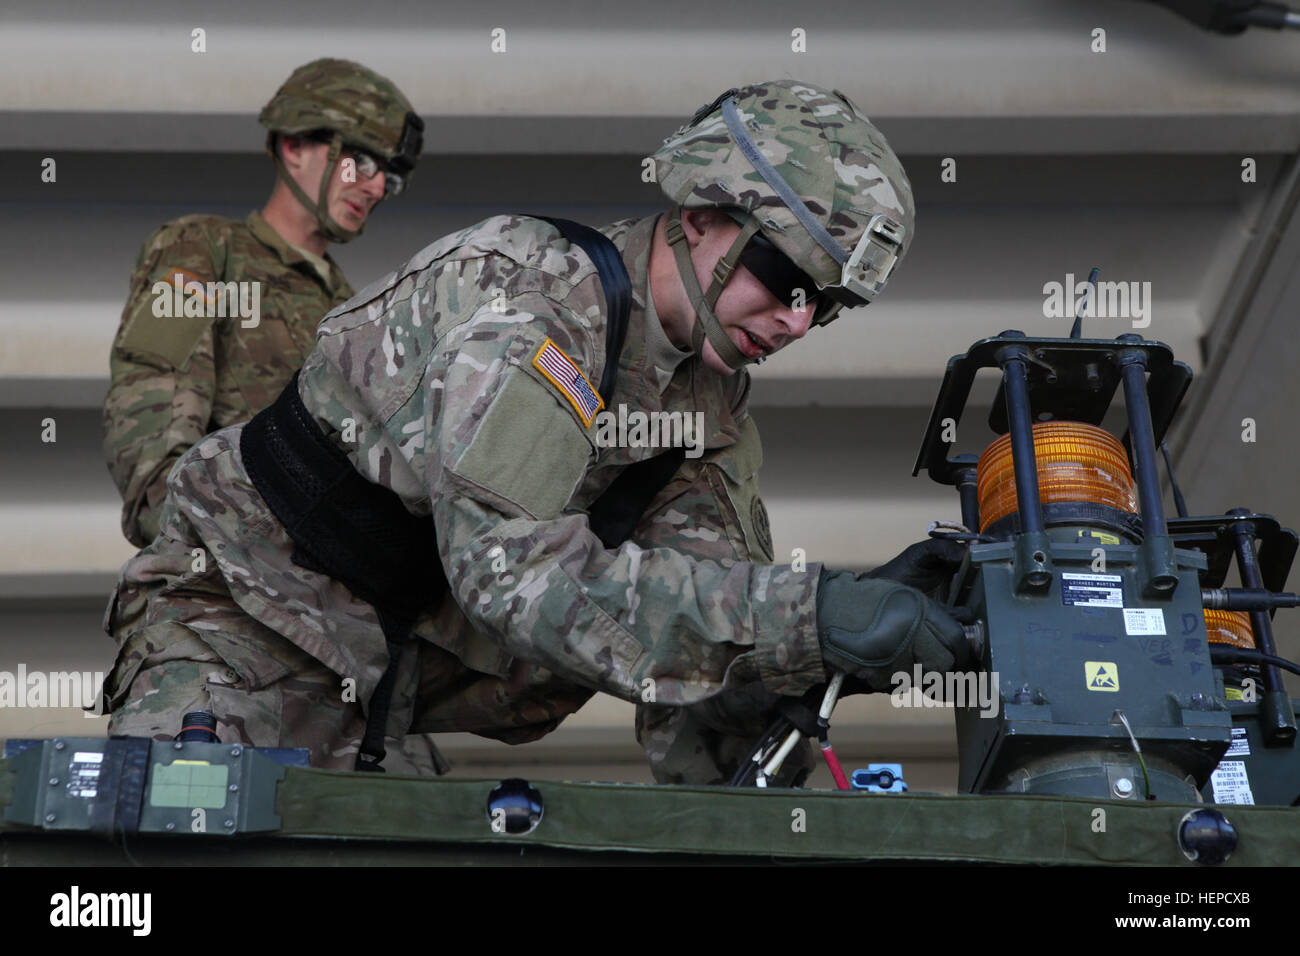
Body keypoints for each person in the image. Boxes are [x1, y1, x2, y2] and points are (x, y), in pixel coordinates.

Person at [100, 80, 971, 782]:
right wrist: (810, 614)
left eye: (827, 307)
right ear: (702, 212)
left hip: (378, 686)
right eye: (787, 275)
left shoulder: (708, 406)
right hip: (236, 635)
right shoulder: (537, 302)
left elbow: (706, 637)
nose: (792, 320)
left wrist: (852, 637)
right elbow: (508, 573)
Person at [103, 57, 424, 549]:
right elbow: (156, 462)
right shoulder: (204, 250)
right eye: (361, 161)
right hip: (226, 597)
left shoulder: (357, 312)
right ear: (295, 144)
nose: (377, 186)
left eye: (390, 175)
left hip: (332, 608)